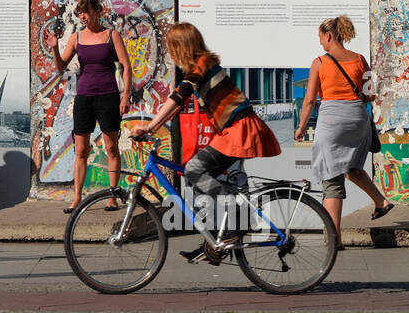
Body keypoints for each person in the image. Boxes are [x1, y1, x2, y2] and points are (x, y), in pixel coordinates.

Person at [135, 23, 282, 263]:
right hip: (234, 130)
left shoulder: (201, 65)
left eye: (172, 48)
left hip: (240, 130)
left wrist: (150, 127)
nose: (170, 54)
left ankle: (235, 221)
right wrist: (156, 126)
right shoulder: (202, 65)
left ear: (181, 47)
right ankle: (214, 243)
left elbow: (178, 96)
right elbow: (179, 103)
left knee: (193, 170)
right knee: (202, 182)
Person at [294, 15, 393, 238]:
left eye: (321, 38)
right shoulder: (360, 59)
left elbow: (309, 100)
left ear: (329, 36)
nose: (320, 43)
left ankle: (334, 239)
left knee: (331, 179)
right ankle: (381, 200)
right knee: (351, 168)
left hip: (332, 121)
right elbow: (370, 95)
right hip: (358, 119)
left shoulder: (320, 63)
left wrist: (301, 127)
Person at [53, 0, 132, 214]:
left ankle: (113, 196)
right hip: (84, 98)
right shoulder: (77, 38)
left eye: (85, 12)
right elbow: (61, 67)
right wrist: (53, 48)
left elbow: (126, 65)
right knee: (81, 150)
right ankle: (77, 197)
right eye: (79, 14)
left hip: (107, 97)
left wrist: (125, 96)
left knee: (111, 148)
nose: (82, 17)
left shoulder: (111, 35)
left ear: (97, 11)